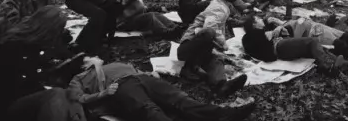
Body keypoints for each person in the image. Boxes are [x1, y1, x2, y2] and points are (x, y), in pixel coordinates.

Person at [68, 57, 254, 121]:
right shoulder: (79, 78)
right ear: (84, 65)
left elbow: (136, 71)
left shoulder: (113, 64)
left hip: (141, 78)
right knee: (150, 111)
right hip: (120, 87)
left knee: (180, 100)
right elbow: (77, 98)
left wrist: (149, 74)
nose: (94, 58)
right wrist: (103, 94)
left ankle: (223, 114)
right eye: (89, 58)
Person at [0, 6, 79, 121]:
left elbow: (59, 51)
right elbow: (15, 83)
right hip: (8, 103)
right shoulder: (13, 46)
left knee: (68, 96)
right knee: (56, 95)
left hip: (24, 93)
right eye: (59, 29)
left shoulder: (37, 43)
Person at [177, 0, 247, 97]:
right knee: (209, 34)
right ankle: (190, 66)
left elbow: (221, 22)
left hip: (199, 48)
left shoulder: (222, 3)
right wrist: (222, 42)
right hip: (188, 46)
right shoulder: (219, 8)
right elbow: (209, 28)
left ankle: (221, 85)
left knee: (216, 59)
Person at [241, 16, 348, 76]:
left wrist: (281, 31)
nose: (261, 20)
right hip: (278, 47)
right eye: (258, 19)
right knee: (312, 41)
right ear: (254, 24)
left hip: (281, 44)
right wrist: (274, 34)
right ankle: (328, 68)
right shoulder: (250, 36)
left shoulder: (260, 33)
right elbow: (262, 48)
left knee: (313, 48)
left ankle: (342, 65)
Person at [265, 16, 348, 67]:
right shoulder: (278, 31)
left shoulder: (288, 21)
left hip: (320, 27)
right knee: (342, 46)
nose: (274, 20)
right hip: (316, 34)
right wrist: (279, 28)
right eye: (272, 20)